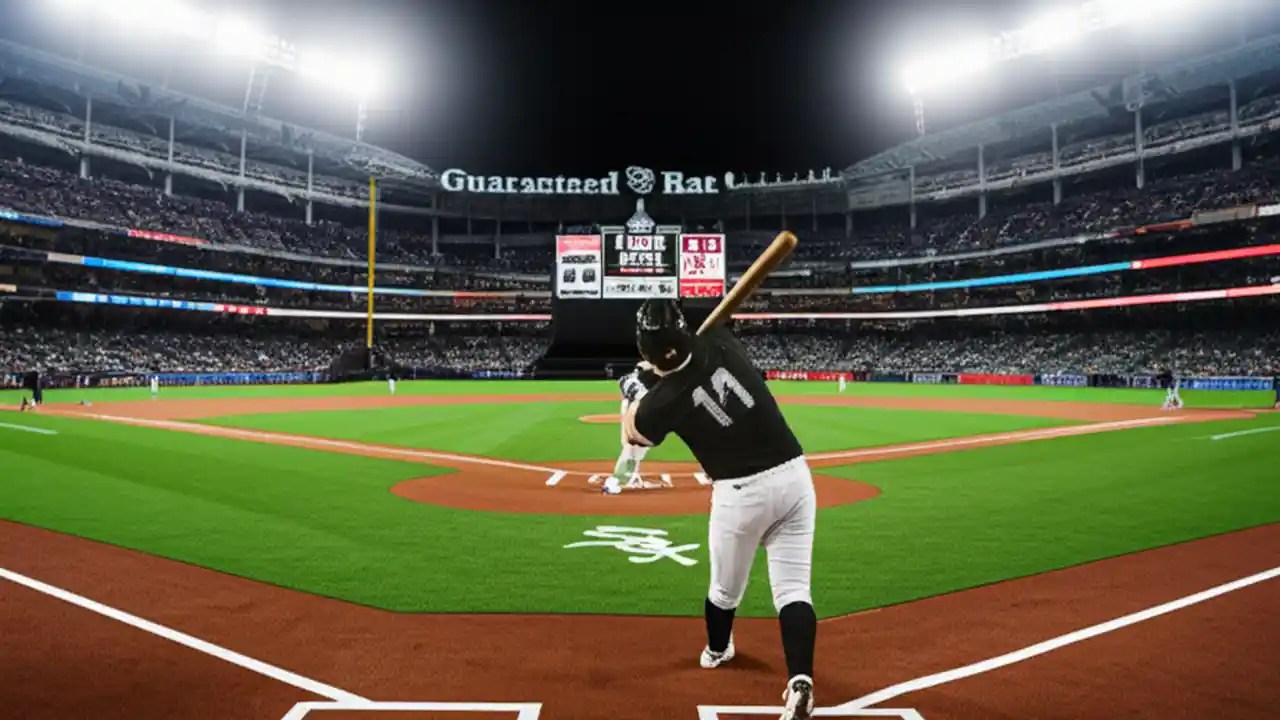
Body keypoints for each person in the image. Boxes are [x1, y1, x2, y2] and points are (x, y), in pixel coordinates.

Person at [619, 299, 816, 720]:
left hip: (740, 494)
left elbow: (632, 432)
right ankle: (800, 681)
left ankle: (718, 648)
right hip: (795, 478)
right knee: (794, 591)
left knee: (724, 592)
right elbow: (702, 332)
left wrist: (636, 386)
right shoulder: (720, 339)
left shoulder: (662, 401)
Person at [604, 362, 659, 495]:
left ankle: (632, 475)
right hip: (636, 408)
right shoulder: (639, 376)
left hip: (641, 407)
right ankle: (615, 480)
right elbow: (627, 384)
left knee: (640, 447)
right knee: (632, 445)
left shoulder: (650, 371)